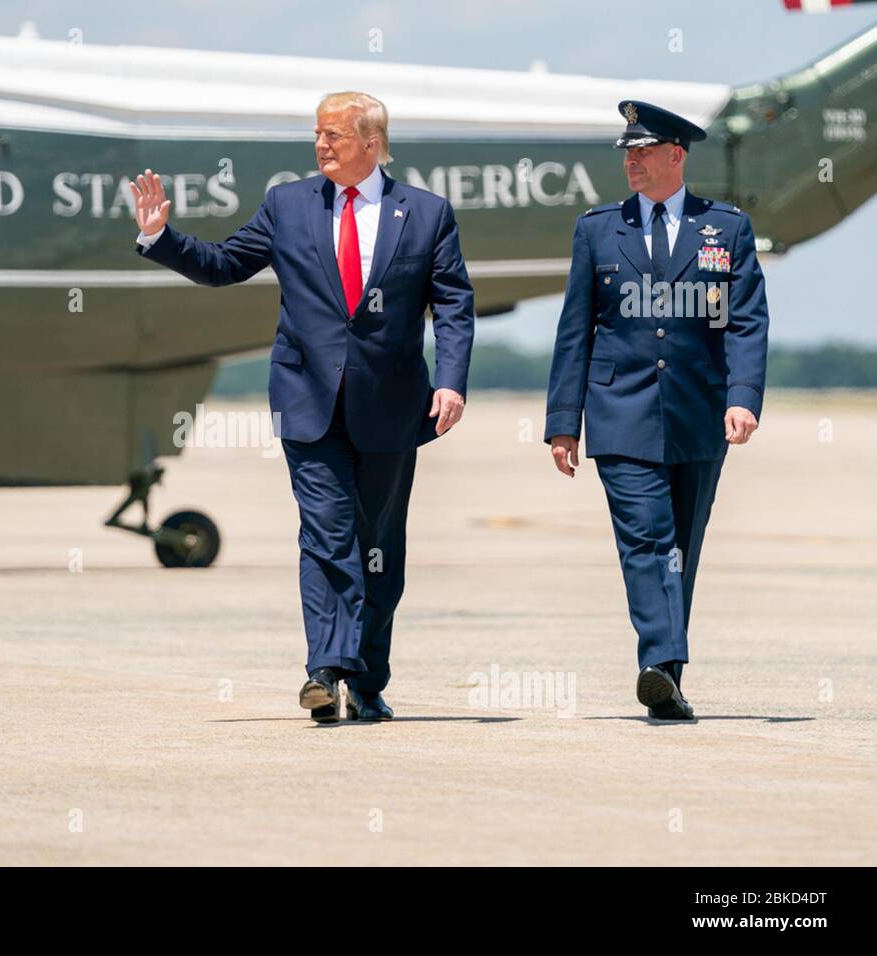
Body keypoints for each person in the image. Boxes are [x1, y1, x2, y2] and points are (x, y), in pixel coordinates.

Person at [130, 91, 475, 722]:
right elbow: (226, 264)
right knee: (326, 534)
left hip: (392, 407)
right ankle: (325, 670)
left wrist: (450, 380)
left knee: (379, 547)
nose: (320, 146)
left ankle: (366, 679)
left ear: (371, 143)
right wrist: (160, 236)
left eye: (333, 136)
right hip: (307, 401)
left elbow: (453, 304)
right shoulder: (287, 204)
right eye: (316, 135)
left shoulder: (425, 214)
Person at [544, 101, 769, 721]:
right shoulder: (597, 229)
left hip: (700, 413)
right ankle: (658, 659)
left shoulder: (725, 228)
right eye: (626, 152)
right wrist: (564, 422)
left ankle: (664, 676)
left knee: (681, 547)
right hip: (620, 410)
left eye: (643, 150)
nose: (631, 160)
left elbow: (745, 322)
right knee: (647, 538)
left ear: (677, 155)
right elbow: (574, 330)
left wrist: (743, 397)